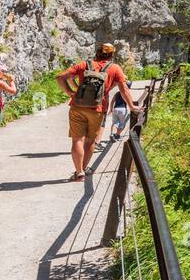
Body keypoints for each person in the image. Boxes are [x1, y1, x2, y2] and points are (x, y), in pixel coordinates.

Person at [58, 44, 139, 183]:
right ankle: (83, 170)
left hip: (77, 107)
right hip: (98, 109)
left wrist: (71, 93)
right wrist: (131, 106)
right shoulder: (114, 68)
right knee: (90, 141)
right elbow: (124, 89)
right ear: (112, 55)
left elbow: (60, 77)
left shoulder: (84, 64)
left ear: (97, 52)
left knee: (77, 140)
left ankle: (79, 172)